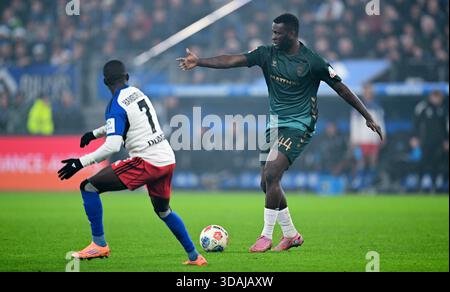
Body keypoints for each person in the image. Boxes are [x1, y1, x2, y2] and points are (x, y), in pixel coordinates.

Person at [177, 13, 383, 253]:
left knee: (272, 173)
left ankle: (265, 236)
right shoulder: (267, 54)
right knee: (267, 183)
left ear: (292, 34)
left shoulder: (312, 61)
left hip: (300, 125)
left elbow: (342, 89)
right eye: (272, 32)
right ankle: (291, 235)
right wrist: (200, 61)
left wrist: (368, 116)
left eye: (278, 33)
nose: (273, 36)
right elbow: (234, 60)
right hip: (275, 124)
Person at [57, 60, 207, 266]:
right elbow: (124, 121)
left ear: (105, 82)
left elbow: (112, 146)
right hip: (166, 158)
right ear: (126, 78)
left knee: (88, 187)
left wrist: (79, 163)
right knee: (164, 211)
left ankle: (99, 245)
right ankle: (195, 257)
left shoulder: (115, 104)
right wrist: (94, 134)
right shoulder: (138, 93)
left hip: (146, 161)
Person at [349, 83, 386, 190]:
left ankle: (370, 184)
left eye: (370, 91)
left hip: (373, 139)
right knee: (361, 162)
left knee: (373, 162)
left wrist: (383, 135)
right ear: (364, 93)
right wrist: (354, 139)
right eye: (367, 91)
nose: (369, 93)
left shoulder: (377, 107)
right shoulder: (357, 105)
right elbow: (354, 124)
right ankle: (358, 184)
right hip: (361, 140)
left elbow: (381, 122)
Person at [412, 90, 448, 192]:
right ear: (431, 96)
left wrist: (446, 140)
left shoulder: (442, 109)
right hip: (425, 141)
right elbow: (416, 123)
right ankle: (418, 185)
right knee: (423, 162)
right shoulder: (423, 107)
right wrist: (415, 137)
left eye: (439, 97)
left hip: (438, 142)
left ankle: (434, 186)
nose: (437, 100)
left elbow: (445, 127)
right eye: (436, 97)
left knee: (436, 164)